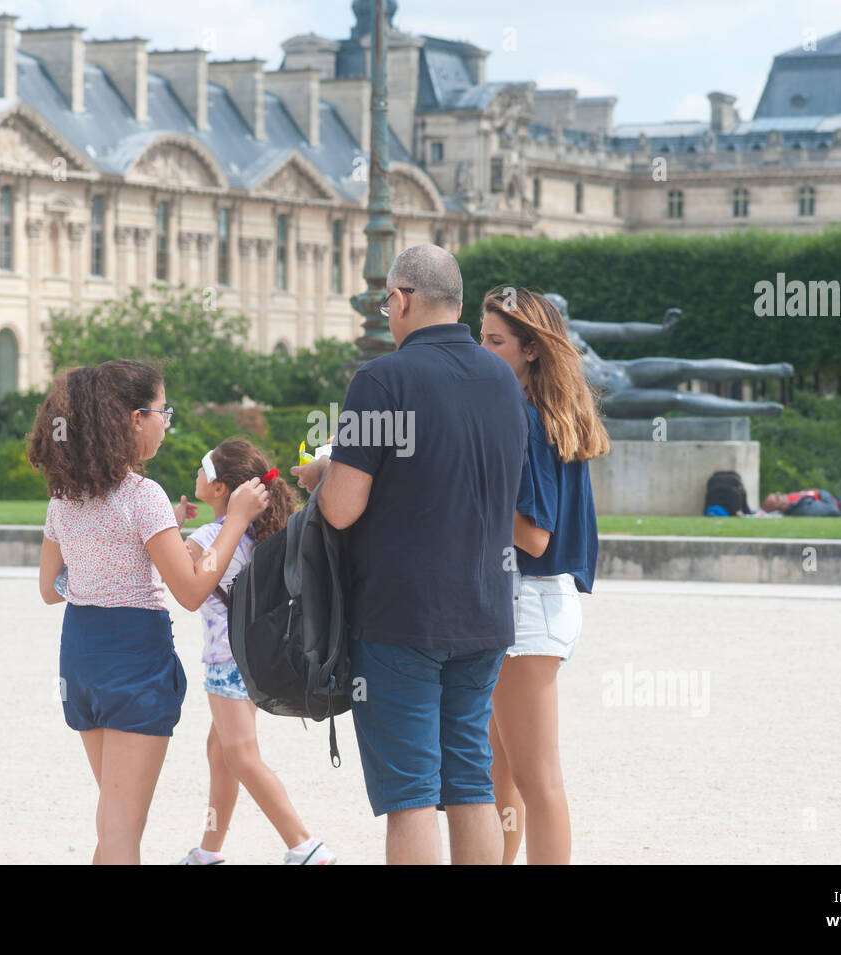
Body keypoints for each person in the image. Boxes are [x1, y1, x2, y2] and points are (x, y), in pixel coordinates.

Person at [292, 244, 528, 865]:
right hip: (486, 611)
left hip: (402, 616)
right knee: (471, 782)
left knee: (412, 796)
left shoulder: (381, 379)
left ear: (398, 300)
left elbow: (343, 507)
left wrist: (321, 474)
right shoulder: (502, 378)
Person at [27, 359, 268, 865]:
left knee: (113, 820)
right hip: (133, 659)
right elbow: (192, 590)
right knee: (121, 829)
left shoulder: (63, 498)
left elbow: (49, 589)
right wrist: (237, 519)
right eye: (164, 411)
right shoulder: (144, 496)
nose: (166, 422)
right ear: (135, 418)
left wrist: (98, 575)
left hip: (81, 658)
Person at [478, 286, 608, 865]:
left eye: (495, 341)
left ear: (531, 350)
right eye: (481, 337)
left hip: (528, 604)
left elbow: (534, 536)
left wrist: (467, 489)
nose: (483, 349)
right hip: (535, 602)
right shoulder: (547, 412)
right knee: (502, 770)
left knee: (535, 779)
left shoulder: (527, 418)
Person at [174, 439, 337, 865]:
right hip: (251, 659)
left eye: (202, 469)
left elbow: (183, 581)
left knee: (242, 757)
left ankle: (305, 845)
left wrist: (173, 533)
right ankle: (208, 852)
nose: (196, 473)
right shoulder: (263, 532)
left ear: (219, 489)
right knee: (221, 753)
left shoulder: (209, 537)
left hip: (225, 663)